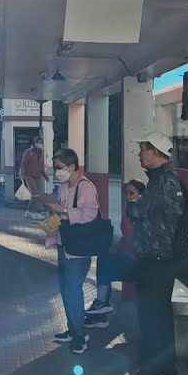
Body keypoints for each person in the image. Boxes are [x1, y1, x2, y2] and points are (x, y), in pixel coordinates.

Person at [118, 131, 186, 375]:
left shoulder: (163, 183)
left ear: (157, 152)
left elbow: (138, 212)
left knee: (151, 323)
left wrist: (134, 204)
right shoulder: (164, 180)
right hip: (162, 261)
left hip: (156, 261)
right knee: (162, 320)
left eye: (143, 149)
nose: (139, 154)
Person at [35, 147, 100, 354]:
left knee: (73, 291)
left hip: (79, 249)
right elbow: (59, 208)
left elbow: (89, 214)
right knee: (65, 289)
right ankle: (73, 330)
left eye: (60, 167)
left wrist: (63, 210)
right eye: (55, 168)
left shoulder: (86, 187)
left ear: (73, 167)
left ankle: (80, 336)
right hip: (65, 244)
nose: (57, 171)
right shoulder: (63, 186)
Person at [83, 179, 144, 329]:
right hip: (129, 254)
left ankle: (101, 304)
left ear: (141, 194)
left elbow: (134, 236)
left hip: (136, 259)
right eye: (126, 193)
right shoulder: (131, 208)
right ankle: (101, 307)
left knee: (104, 265)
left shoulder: (137, 210)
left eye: (132, 193)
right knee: (105, 263)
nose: (128, 196)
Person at [18, 136, 49, 219]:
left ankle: (29, 211)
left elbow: (42, 166)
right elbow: (23, 163)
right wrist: (22, 174)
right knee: (34, 194)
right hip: (28, 176)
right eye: (37, 142)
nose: (39, 144)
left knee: (35, 195)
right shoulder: (28, 152)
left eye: (41, 143)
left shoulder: (42, 153)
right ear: (34, 143)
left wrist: (46, 177)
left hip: (37, 176)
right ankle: (31, 212)